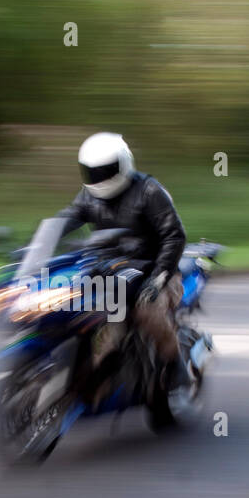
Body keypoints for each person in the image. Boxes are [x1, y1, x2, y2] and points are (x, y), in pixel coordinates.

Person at [58, 132, 189, 389]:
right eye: (93, 172)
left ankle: (175, 364)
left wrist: (158, 278)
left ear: (123, 163)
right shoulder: (87, 195)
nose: (99, 178)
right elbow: (66, 219)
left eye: (106, 170)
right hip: (109, 272)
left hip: (156, 269)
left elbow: (174, 236)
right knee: (77, 310)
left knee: (146, 311)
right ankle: (93, 376)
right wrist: (37, 244)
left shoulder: (149, 191)